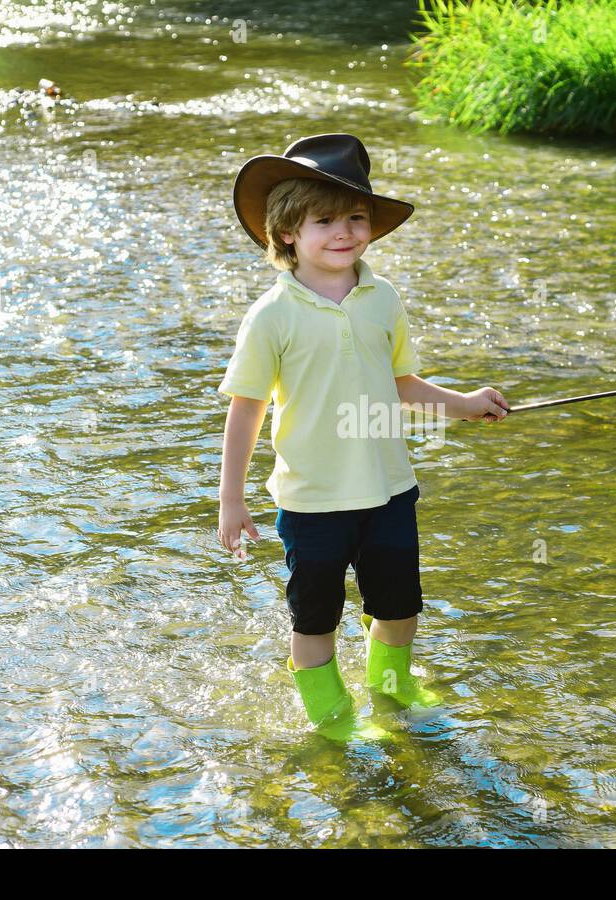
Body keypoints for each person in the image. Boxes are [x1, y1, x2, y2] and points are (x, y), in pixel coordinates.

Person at [216, 133, 509, 741]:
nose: (344, 231)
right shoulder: (273, 315)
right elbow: (246, 411)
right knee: (316, 616)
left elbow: (402, 382)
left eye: (356, 217)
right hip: (313, 499)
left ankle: (392, 686)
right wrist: (232, 499)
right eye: (324, 220)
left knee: (400, 606)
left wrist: (465, 405)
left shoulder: (383, 299)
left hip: (389, 490)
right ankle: (328, 711)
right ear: (288, 233)